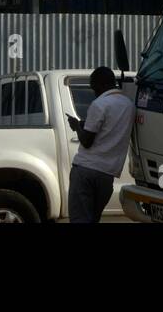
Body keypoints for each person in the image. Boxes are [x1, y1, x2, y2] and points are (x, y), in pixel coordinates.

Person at [65, 66, 135, 223]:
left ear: (102, 84)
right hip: (106, 176)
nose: (93, 91)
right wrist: (83, 123)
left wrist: (76, 126)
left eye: (94, 86)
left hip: (86, 172)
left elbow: (87, 141)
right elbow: (109, 128)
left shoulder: (99, 104)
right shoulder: (128, 105)